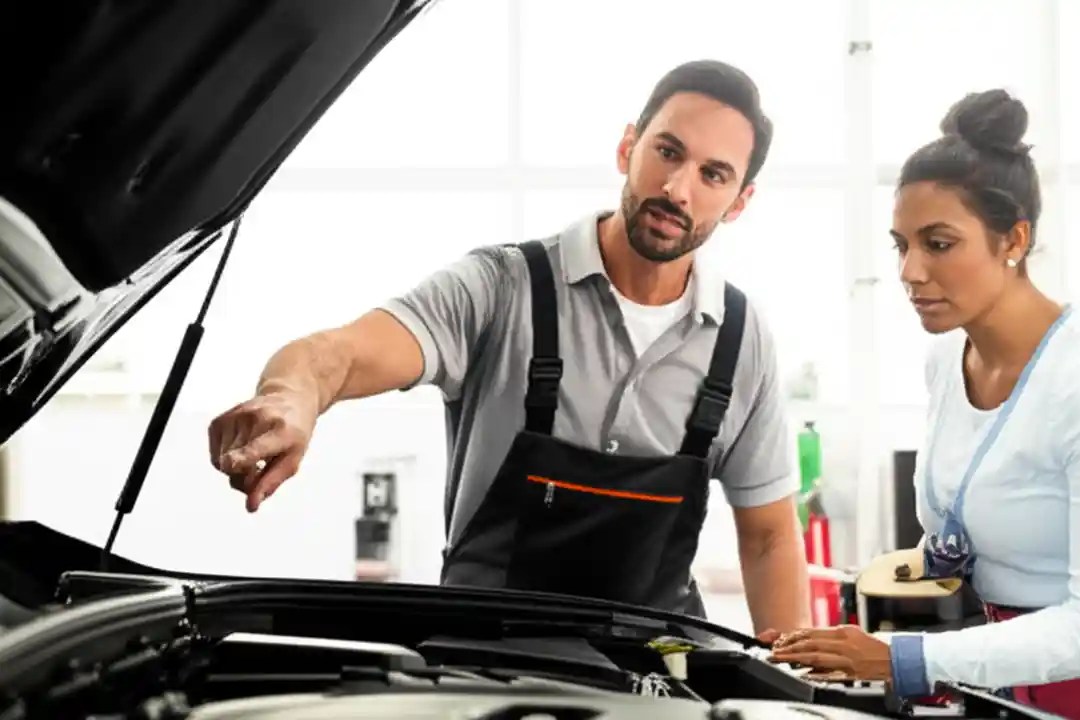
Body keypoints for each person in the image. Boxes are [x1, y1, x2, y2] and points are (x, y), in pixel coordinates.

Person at [206, 59, 811, 633]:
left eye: (714, 174)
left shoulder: (740, 337)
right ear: (629, 147)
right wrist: (292, 398)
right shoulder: (500, 289)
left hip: (651, 673)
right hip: (481, 659)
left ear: (740, 201)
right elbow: (343, 352)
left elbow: (769, 539)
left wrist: (796, 688)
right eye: (668, 152)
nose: (679, 189)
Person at [767, 89, 1080, 719]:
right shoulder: (945, 362)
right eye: (900, 244)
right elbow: (974, 528)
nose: (909, 270)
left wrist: (900, 657)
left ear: (1013, 239)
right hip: (1021, 688)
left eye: (938, 243)